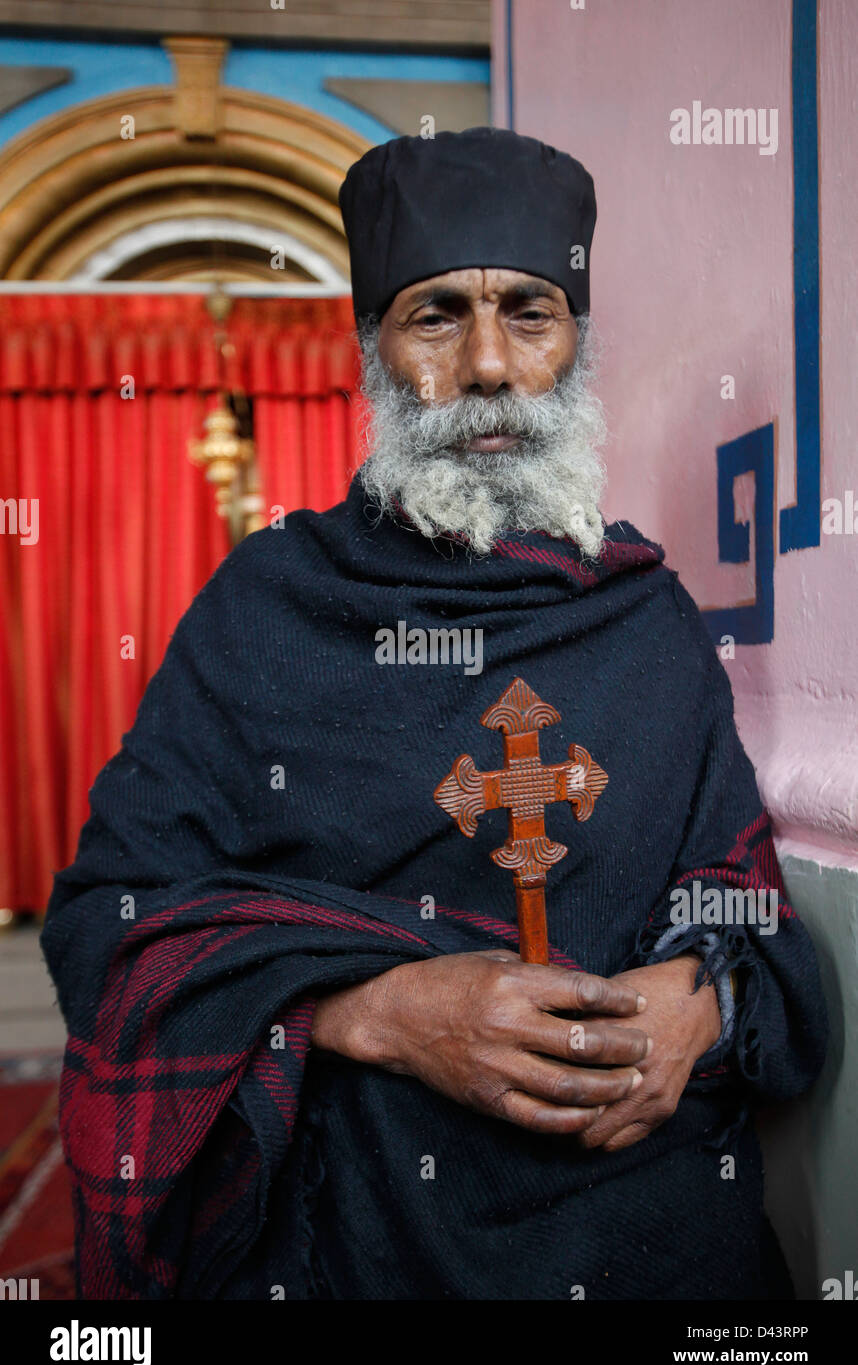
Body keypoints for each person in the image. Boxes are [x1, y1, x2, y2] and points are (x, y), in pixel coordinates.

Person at [42, 127, 827, 1301]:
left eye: (530, 311)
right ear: (372, 349)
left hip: (657, 1246)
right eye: (435, 316)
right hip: (366, 1243)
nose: (491, 366)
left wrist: (702, 1004)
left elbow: (751, 916)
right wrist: (379, 1013)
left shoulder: (650, 619)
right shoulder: (266, 609)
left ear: (577, 345)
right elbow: (108, 921)